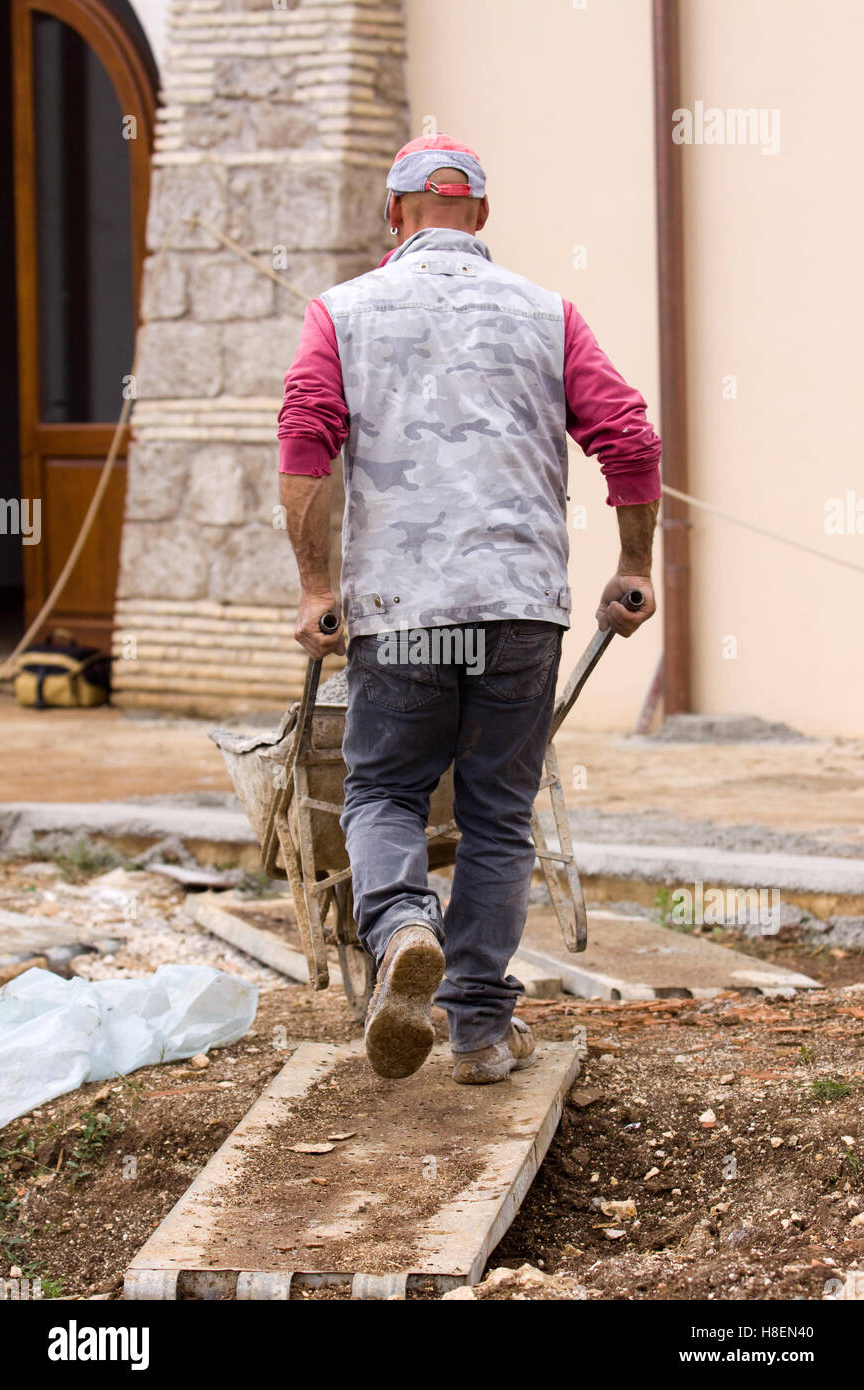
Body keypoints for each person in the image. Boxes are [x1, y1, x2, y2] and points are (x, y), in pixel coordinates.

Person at [277, 134, 661, 1085]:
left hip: (405, 610)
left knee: (385, 792)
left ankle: (405, 923)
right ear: (481, 217)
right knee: (496, 814)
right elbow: (628, 433)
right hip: (520, 606)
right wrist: (632, 563)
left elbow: (305, 443)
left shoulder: (342, 313)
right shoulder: (548, 313)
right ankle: (482, 1033)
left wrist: (318, 589)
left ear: (393, 214)